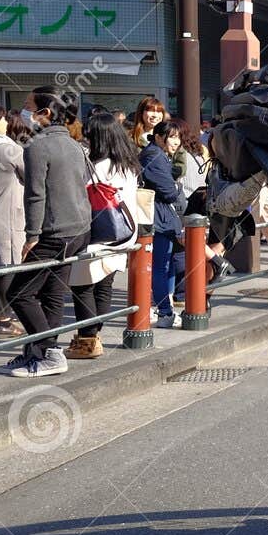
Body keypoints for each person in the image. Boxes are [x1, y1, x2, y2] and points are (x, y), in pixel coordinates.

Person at [3, 92, 90, 377]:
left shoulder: (37, 146)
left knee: (19, 292)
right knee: (53, 292)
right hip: (78, 228)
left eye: (29, 108)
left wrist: (32, 235)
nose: (25, 113)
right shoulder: (74, 144)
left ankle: (49, 353)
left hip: (53, 231)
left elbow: (35, 194)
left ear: (46, 114)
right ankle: (38, 351)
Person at [65, 108, 139, 359]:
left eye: (89, 135)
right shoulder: (127, 164)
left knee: (82, 284)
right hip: (123, 231)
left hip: (100, 234)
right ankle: (94, 335)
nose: (86, 138)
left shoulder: (98, 166)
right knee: (104, 284)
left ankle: (88, 340)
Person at [139, 119, 188, 329]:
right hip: (157, 219)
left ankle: (164, 308)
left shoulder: (159, 155)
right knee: (160, 266)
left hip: (162, 218)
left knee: (167, 265)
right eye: (172, 136)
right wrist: (177, 188)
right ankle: (165, 312)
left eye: (178, 137)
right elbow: (169, 192)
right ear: (159, 137)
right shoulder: (154, 156)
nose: (176, 141)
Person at [0, 107, 24, 338]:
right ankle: (3, 319)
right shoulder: (10, 150)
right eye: (3, 119)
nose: (6, 122)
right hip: (6, 215)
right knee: (7, 267)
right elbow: (30, 176)